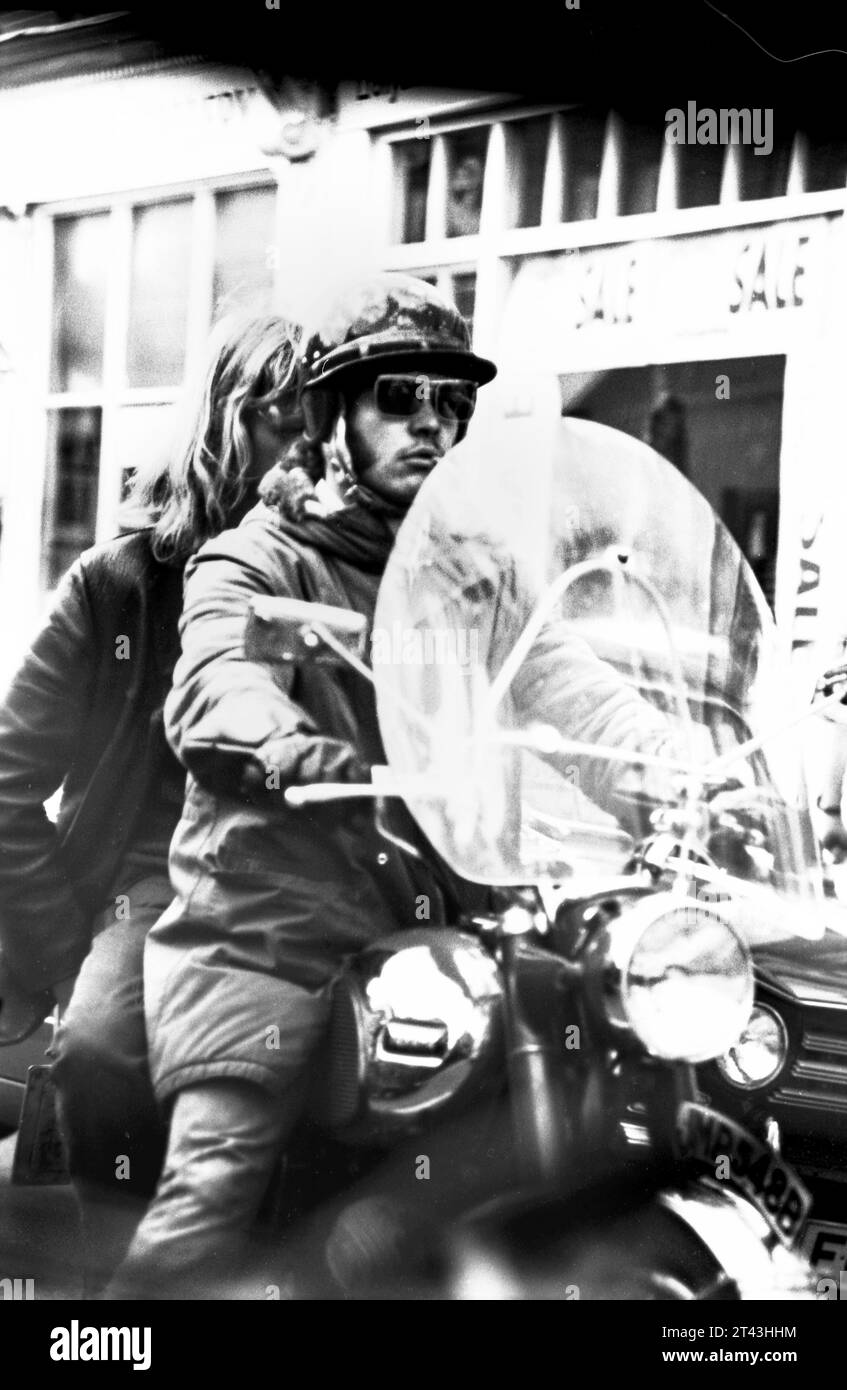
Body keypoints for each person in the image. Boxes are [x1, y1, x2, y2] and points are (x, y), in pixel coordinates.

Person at [105, 272, 679, 1300]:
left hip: (451, 918)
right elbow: (214, 686)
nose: (430, 424)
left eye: (449, 406)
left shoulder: (474, 571)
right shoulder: (258, 559)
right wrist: (300, 749)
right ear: (331, 417)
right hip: (271, 926)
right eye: (398, 399)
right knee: (212, 1190)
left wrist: (675, 777)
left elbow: (572, 691)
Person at [0, 310, 303, 1292]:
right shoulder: (122, 586)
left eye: (323, 421)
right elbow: (5, 779)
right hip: (153, 887)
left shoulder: (370, 588)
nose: (303, 448)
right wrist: (63, 946)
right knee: (100, 1049)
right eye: (281, 417)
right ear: (227, 422)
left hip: (319, 893)